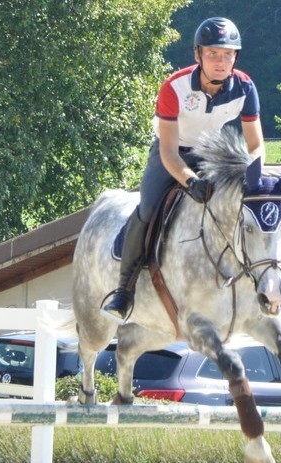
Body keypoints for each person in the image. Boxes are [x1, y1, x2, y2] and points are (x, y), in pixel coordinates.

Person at [101, 16, 266, 323]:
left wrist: (251, 176)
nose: (221, 61)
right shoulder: (174, 87)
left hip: (211, 153)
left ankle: (259, 279)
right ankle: (124, 291)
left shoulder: (245, 87)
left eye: (227, 54)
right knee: (148, 209)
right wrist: (190, 183)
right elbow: (168, 150)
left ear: (236, 57)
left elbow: (256, 146)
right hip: (172, 153)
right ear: (198, 55)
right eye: (213, 54)